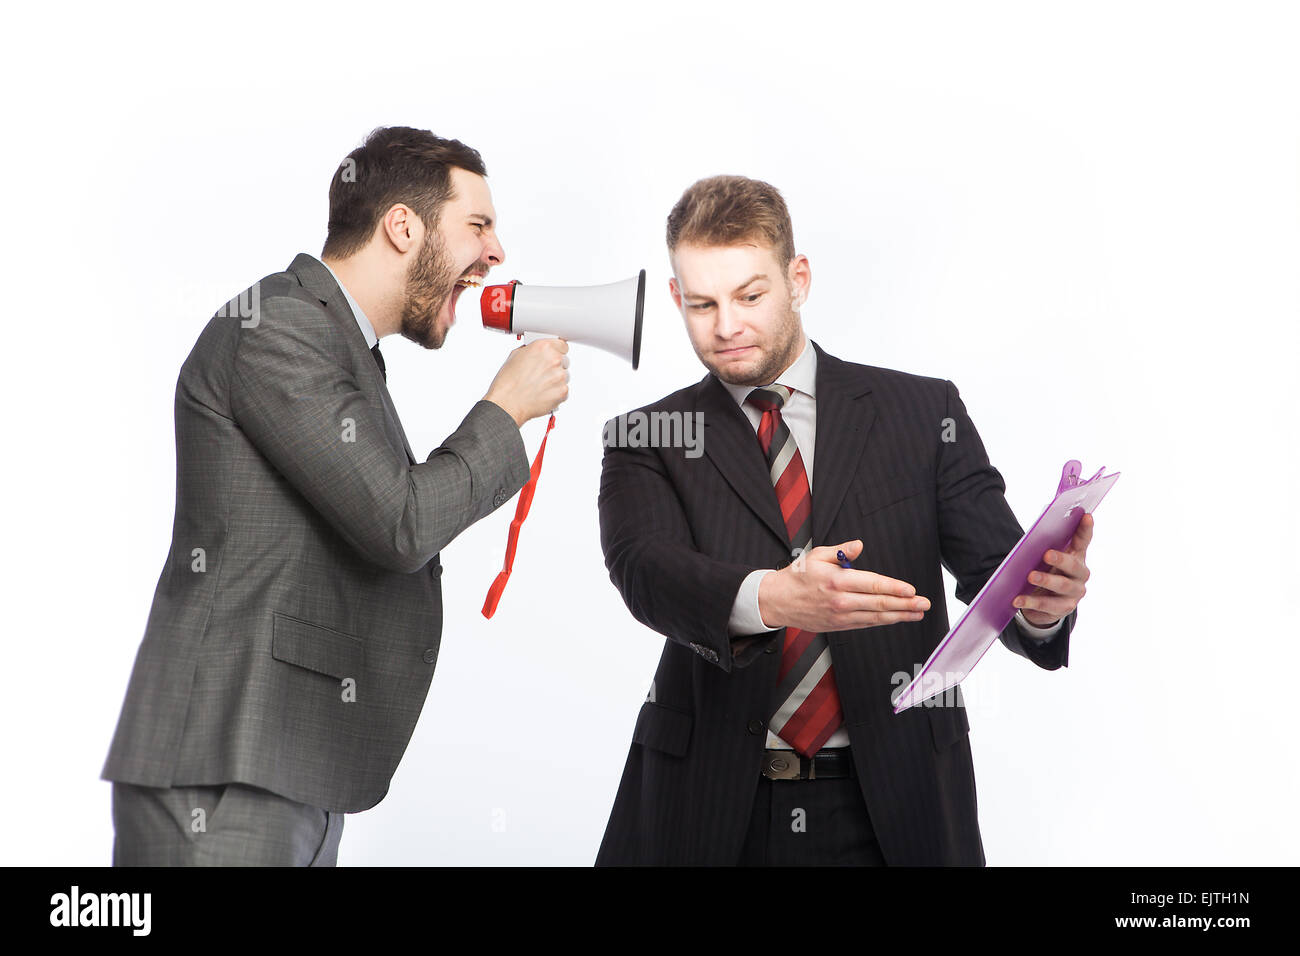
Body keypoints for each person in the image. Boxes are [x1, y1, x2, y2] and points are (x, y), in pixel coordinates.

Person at [102, 126, 570, 865]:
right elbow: (401, 522)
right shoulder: (279, 325)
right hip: (226, 768)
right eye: (478, 225)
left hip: (282, 770)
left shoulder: (340, 346)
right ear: (402, 226)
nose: (497, 253)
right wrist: (503, 413)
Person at [596, 175, 1094, 865]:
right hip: (712, 806)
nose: (727, 326)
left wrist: (1044, 604)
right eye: (703, 304)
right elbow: (646, 570)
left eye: (750, 295)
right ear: (677, 298)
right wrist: (774, 597)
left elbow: (999, 576)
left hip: (895, 802)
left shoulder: (923, 414)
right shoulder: (648, 435)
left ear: (797, 279)